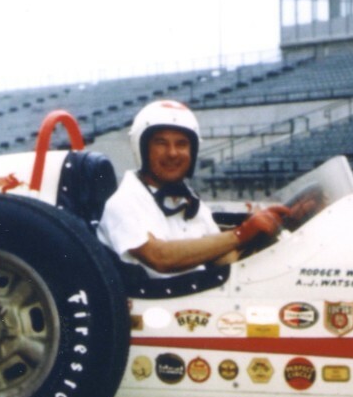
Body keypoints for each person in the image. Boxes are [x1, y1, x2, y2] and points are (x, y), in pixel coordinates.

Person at [97, 99, 286, 276]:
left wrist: (265, 235)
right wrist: (241, 233)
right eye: (161, 143)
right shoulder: (123, 202)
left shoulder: (186, 199)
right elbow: (160, 257)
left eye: (182, 144)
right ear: (143, 149)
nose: (172, 153)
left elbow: (223, 259)